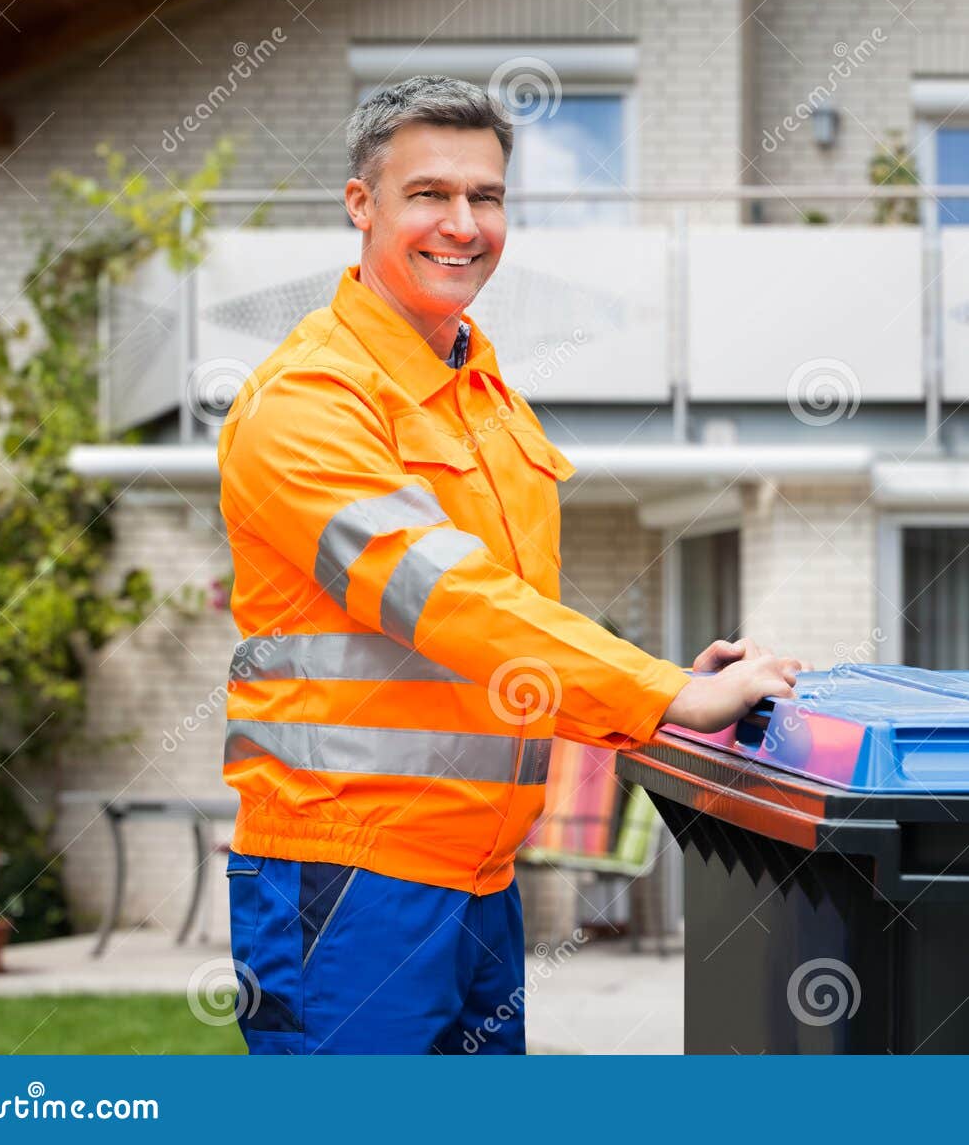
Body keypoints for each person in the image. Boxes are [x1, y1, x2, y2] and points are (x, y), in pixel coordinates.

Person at [215, 75, 804, 1054]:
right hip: (346, 878)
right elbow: (448, 601)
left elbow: (512, 632)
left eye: (485, 197)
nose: (463, 224)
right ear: (360, 206)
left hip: (479, 873)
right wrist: (656, 694)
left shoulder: (485, 399)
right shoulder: (306, 403)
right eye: (429, 195)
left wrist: (658, 694)